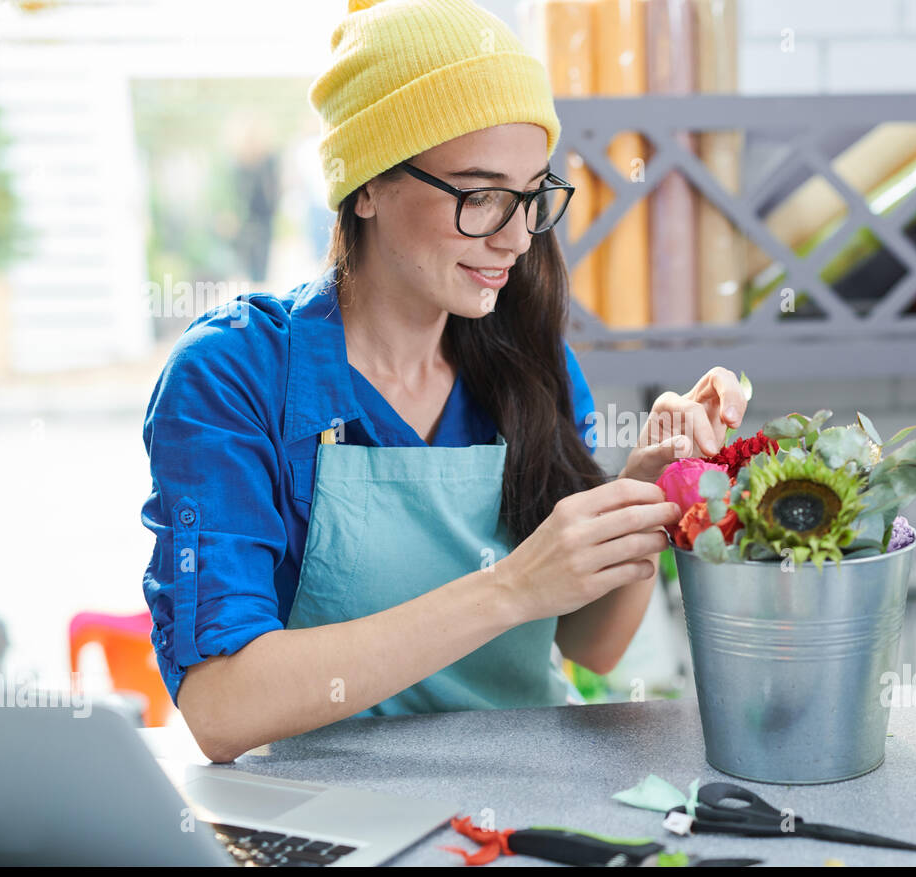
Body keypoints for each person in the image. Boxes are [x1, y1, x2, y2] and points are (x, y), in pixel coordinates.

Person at [139, 0, 748, 764]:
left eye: (531, 196)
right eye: (480, 194)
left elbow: (592, 641)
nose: (517, 236)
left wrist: (648, 491)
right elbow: (223, 708)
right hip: (318, 813)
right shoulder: (234, 377)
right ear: (366, 186)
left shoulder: (532, 359)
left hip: (525, 794)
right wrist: (509, 589)